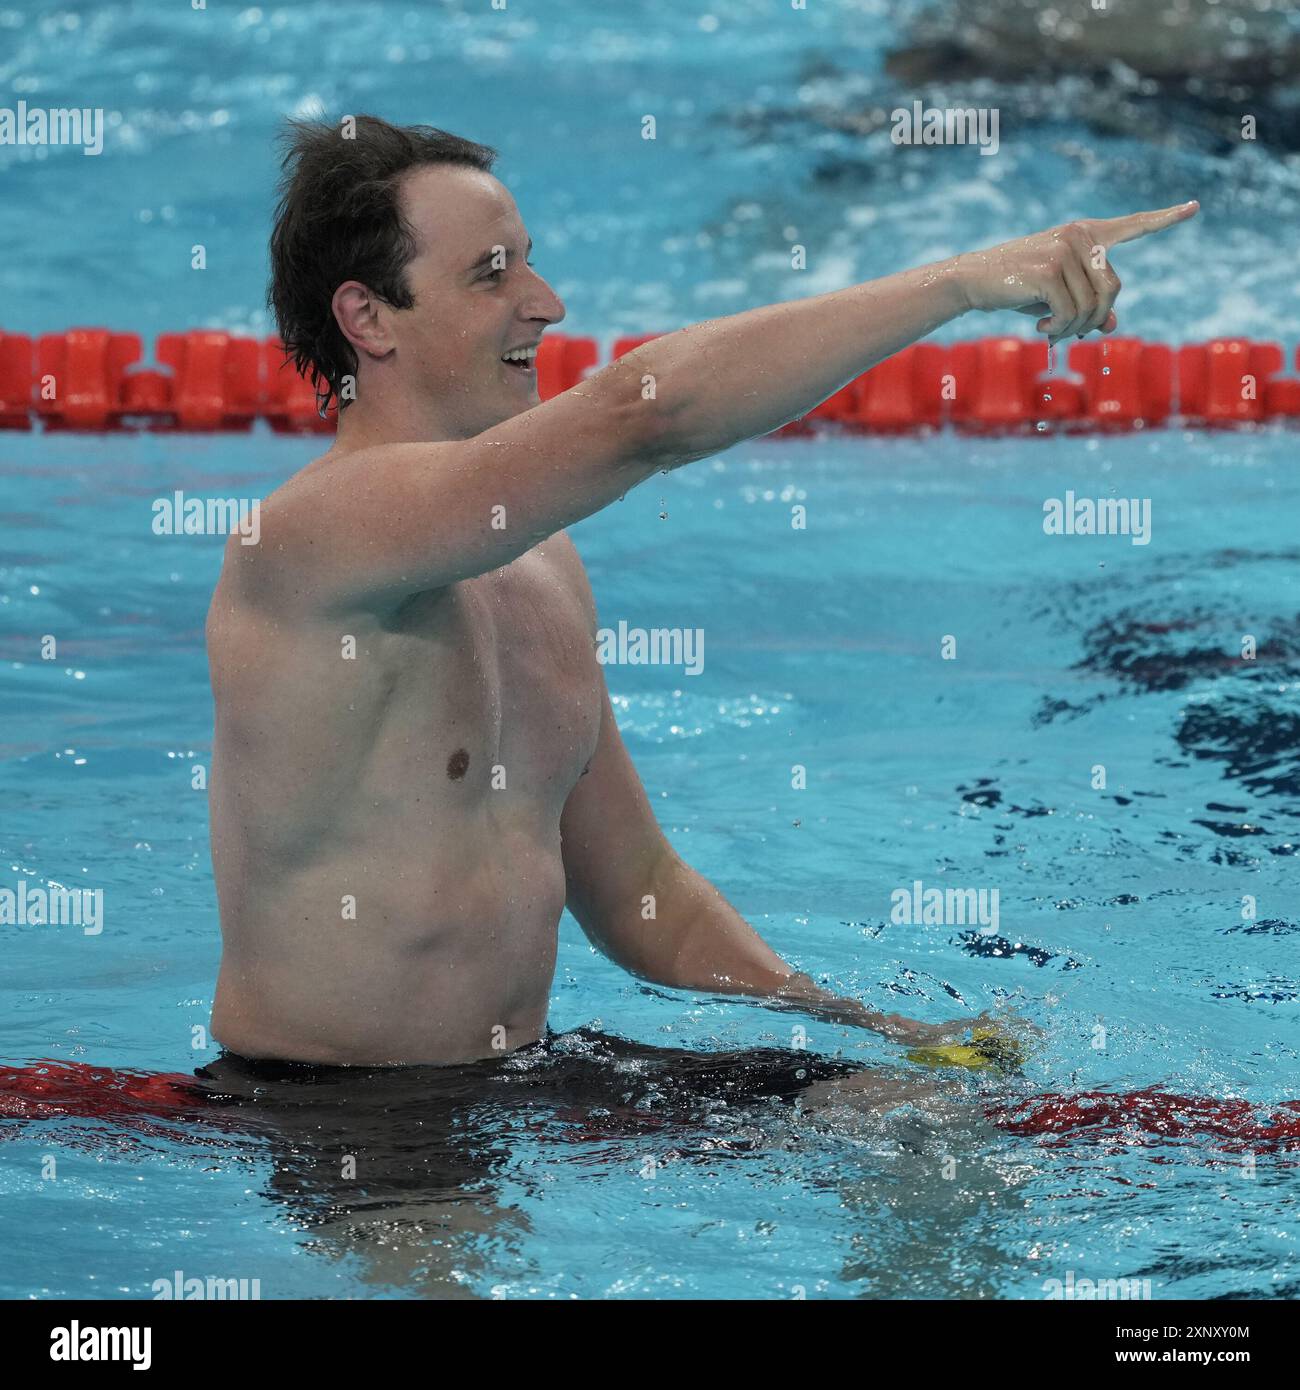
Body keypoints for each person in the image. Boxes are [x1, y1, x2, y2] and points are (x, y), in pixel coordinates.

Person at [206, 113, 1197, 1069]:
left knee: (907, 1125)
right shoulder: (307, 540)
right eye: (491, 274)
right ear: (366, 317)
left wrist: (858, 1022)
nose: (545, 302)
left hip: (509, 1083)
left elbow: (642, 893)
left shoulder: (536, 564)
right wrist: (963, 281)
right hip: (334, 1124)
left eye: (529, 261)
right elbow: (646, 413)